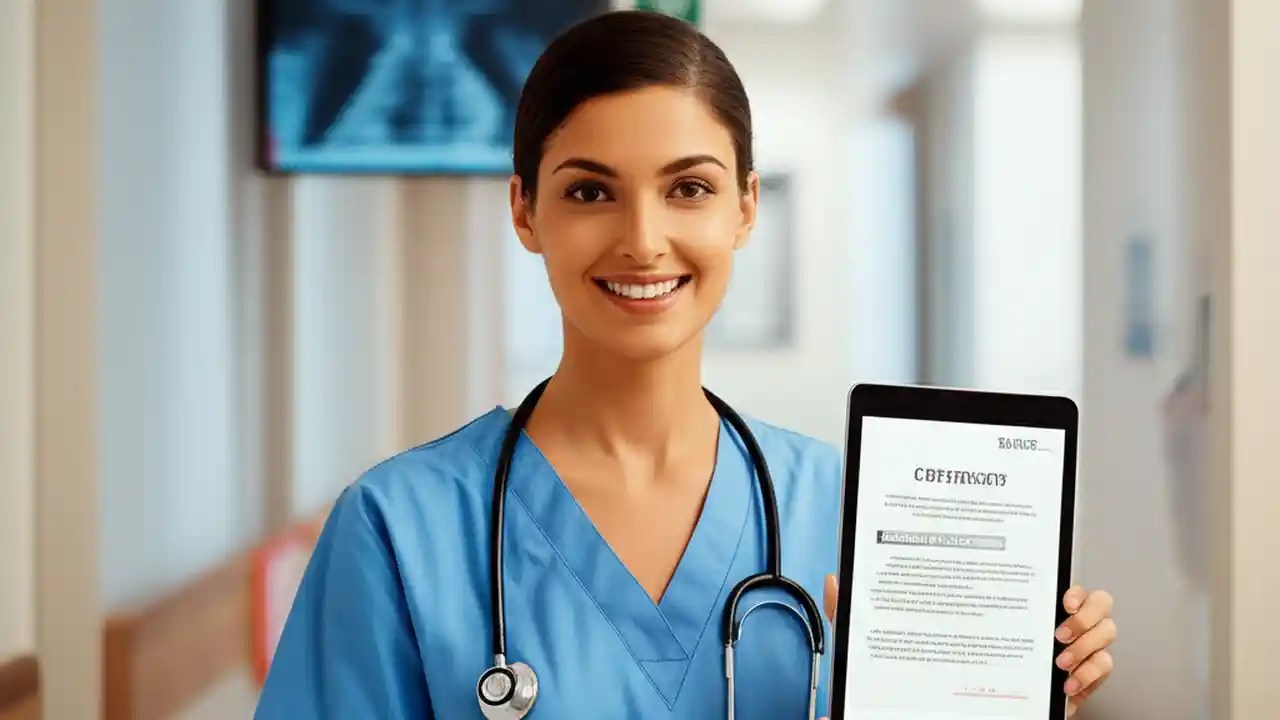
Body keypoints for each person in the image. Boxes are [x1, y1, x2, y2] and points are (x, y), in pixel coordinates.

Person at [254, 10, 1117, 719]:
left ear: (745, 207)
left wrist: (1011, 695)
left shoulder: (852, 510)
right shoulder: (399, 529)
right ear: (525, 211)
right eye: (590, 191)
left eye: (689, 189)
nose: (643, 239)